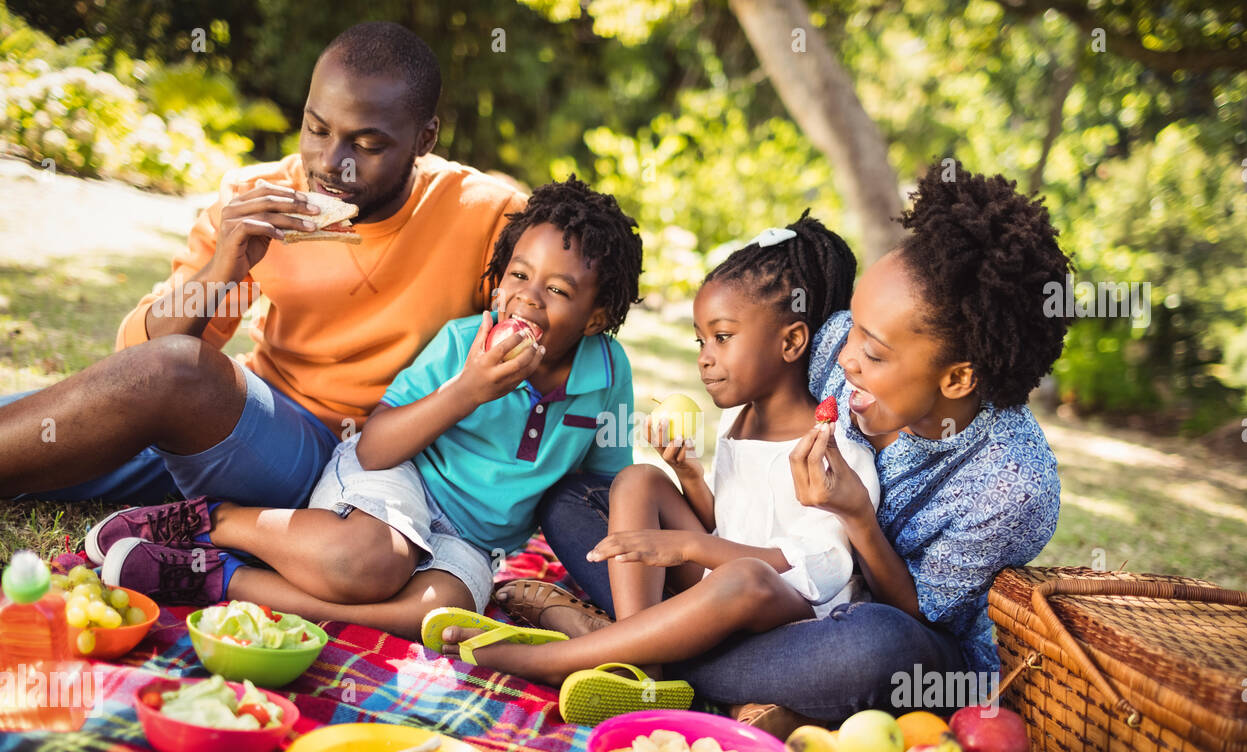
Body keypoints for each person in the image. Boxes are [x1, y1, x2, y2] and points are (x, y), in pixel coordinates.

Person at [498, 160, 1070, 736]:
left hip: (850, 629)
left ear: (958, 380)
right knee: (576, 497)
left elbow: (919, 614)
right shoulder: (830, 349)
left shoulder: (1011, 484)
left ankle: (615, 647)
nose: (844, 360)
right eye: (850, 331)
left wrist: (856, 517)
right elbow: (762, 352)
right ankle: (658, 652)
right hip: (748, 588)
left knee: (879, 649)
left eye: (872, 354)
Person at [88, 178, 643, 640]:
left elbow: (599, 488)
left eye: (559, 291)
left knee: (442, 618)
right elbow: (376, 447)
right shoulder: (461, 345)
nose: (528, 297)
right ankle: (216, 521)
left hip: (471, 542)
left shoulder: (609, 376)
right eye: (519, 275)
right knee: (372, 563)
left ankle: (214, 578)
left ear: (596, 318)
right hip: (394, 480)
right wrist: (468, 391)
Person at [0, 21, 524, 508]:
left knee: (169, 376)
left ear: (425, 139)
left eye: (366, 144)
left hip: (359, 466)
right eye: (317, 129)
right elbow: (133, 362)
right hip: (249, 425)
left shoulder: (487, 215)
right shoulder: (256, 198)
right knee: (55, 419)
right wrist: (221, 270)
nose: (328, 162)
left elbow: (536, 355)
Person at [439, 214, 880, 693]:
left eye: (723, 337)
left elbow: (821, 568)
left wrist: (690, 547)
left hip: (786, 609)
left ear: (791, 341)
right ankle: (640, 659)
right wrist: (689, 479)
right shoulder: (740, 423)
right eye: (700, 340)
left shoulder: (830, 448)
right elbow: (729, 524)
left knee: (743, 577)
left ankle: (553, 658)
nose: (704, 357)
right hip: (714, 588)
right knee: (637, 480)